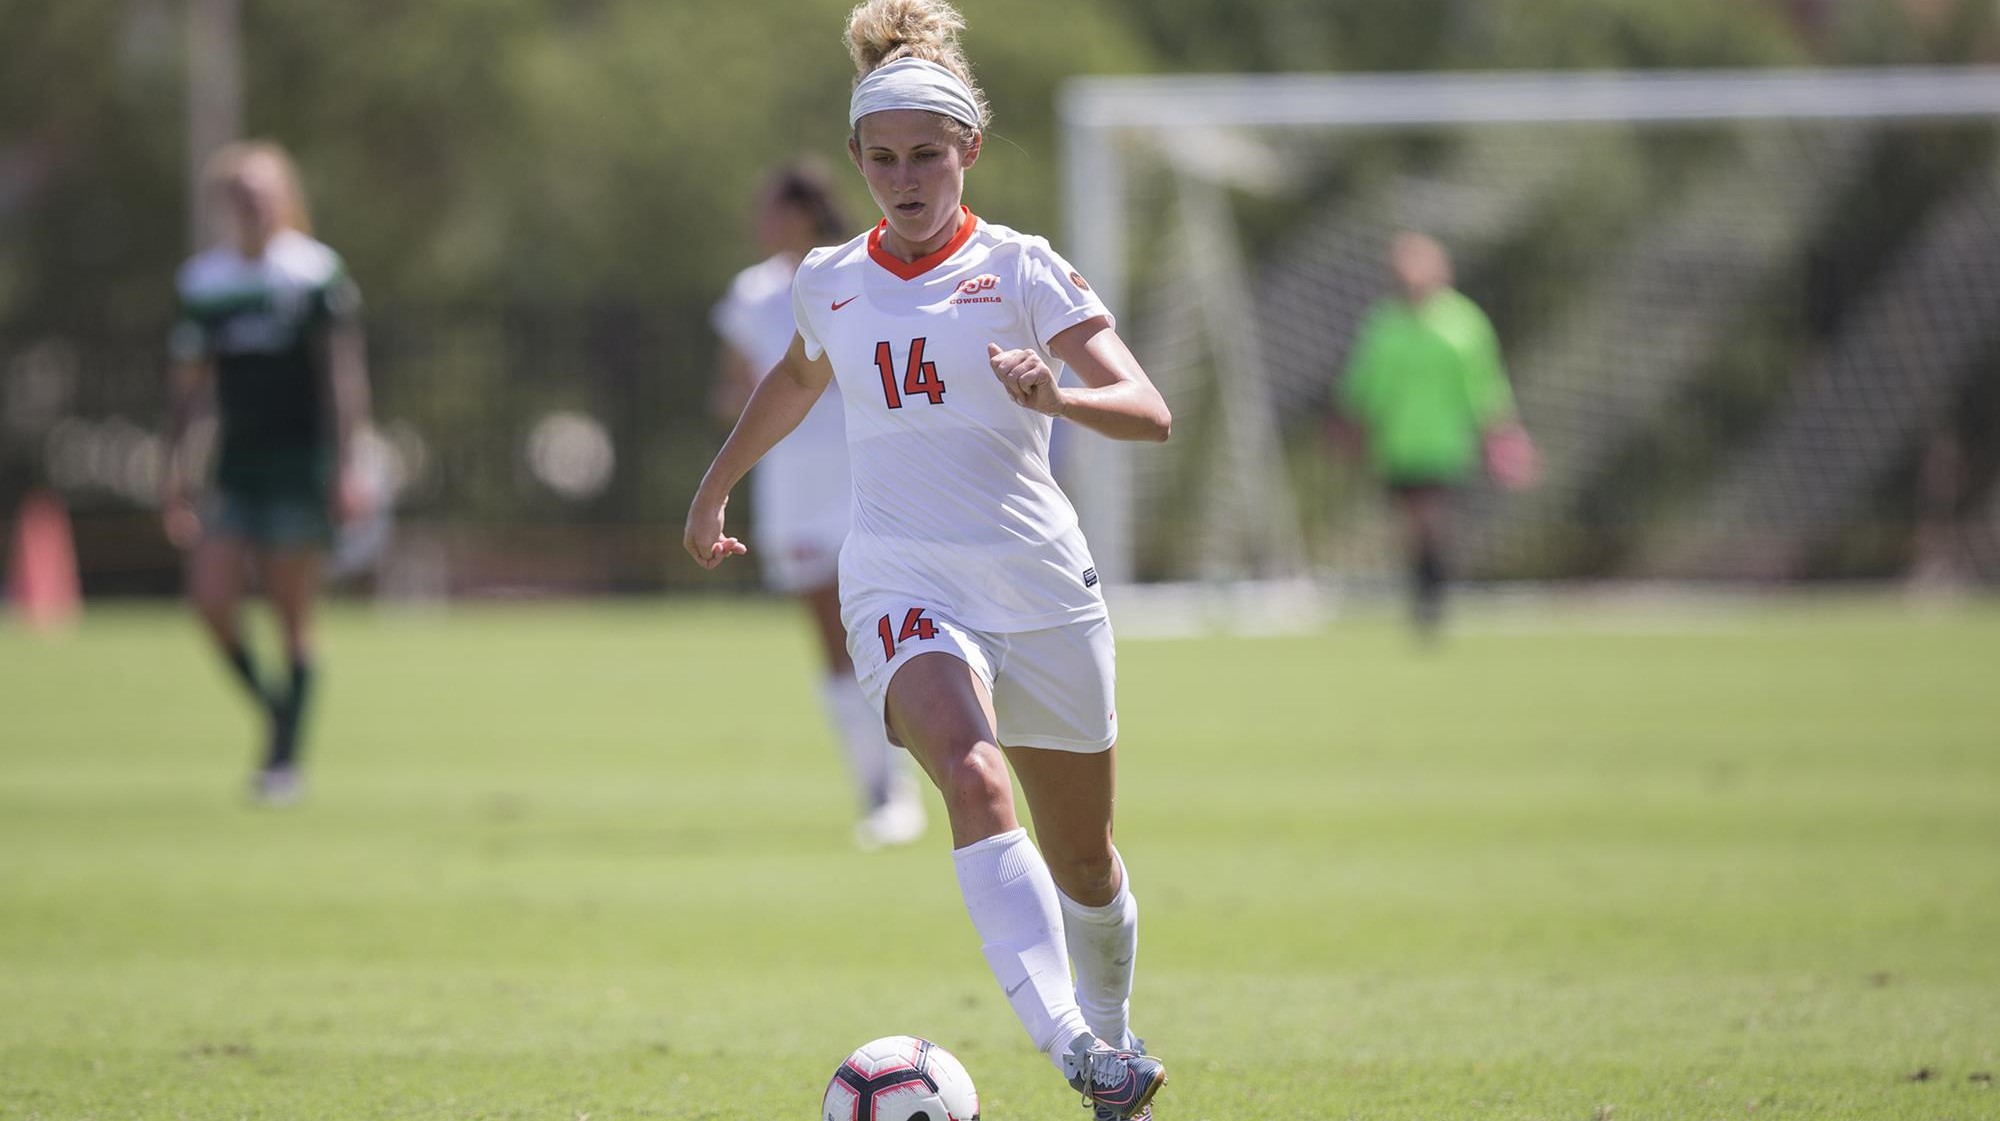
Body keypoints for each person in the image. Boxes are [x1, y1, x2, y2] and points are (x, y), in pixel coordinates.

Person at [684, 2, 1172, 1115]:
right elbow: (799, 375)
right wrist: (714, 483)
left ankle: (1111, 1037)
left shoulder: (1024, 269)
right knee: (970, 770)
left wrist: (1058, 392)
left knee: (1086, 863)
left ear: (969, 153)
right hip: (900, 581)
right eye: (885, 158)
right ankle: (1071, 1049)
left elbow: (1148, 409)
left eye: (928, 155)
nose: (906, 179)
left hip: (1040, 584)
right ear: (856, 159)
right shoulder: (827, 277)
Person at [709, 158, 927, 850]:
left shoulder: (855, 272)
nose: (762, 223)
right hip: (793, 485)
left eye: (774, 209)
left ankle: (906, 780)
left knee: (879, 628)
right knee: (830, 638)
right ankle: (878, 784)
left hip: (865, 476)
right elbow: (732, 388)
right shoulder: (751, 294)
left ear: (805, 212)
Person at [160, 141, 372, 806]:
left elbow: (341, 376)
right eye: (240, 192)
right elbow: (190, 389)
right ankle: (279, 712)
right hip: (237, 467)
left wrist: (347, 464)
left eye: (263, 190)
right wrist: (175, 471)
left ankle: (283, 759)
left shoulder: (313, 275)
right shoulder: (206, 283)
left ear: (285, 196)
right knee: (212, 600)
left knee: (292, 616)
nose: (252, 203)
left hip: (300, 465)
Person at [1333, 231, 1535, 637]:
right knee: (1414, 526)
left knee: (1429, 520)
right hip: (1396, 446)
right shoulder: (1385, 325)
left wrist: (1501, 436)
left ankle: (1431, 597)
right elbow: (1364, 385)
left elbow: (1484, 386)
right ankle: (1426, 590)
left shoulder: (1463, 324)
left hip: (1443, 444)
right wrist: (1350, 428)